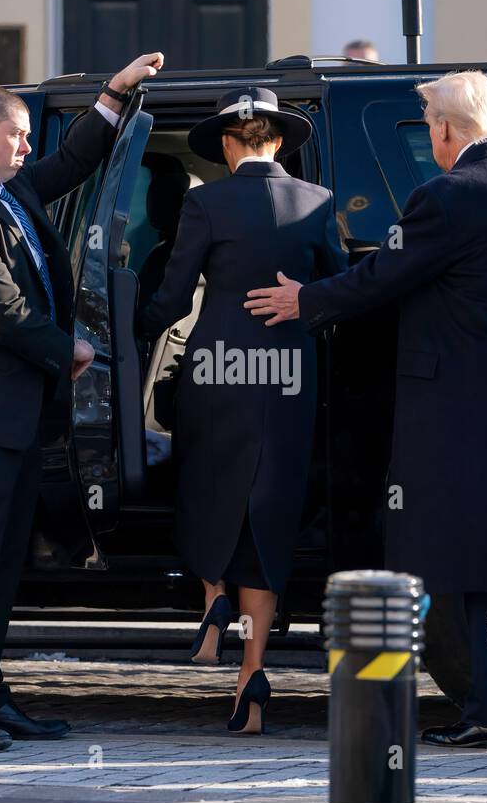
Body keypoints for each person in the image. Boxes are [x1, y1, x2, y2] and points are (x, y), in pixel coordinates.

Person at [246, 71, 487, 749]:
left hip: (478, 411)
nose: (428, 136)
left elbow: (383, 275)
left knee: (485, 560)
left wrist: (306, 301)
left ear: (444, 131)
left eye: (429, 124)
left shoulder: (452, 194)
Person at [0, 53, 164, 750]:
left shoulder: (2, 190)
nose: (28, 148)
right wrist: (70, 350)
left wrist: (113, 96)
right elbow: (3, 312)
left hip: (10, 416)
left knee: (3, 559)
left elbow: (67, 167)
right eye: (18, 136)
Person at [138, 86, 346, 733]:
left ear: (228, 144)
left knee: (207, 486)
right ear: (278, 142)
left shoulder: (204, 202)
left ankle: (212, 598)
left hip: (216, 373)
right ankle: (252, 678)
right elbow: (340, 293)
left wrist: (124, 330)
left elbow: (172, 300)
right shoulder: (316, 204)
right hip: (287, 381)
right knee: (268, 516)